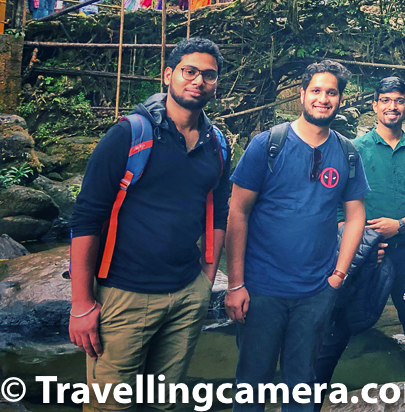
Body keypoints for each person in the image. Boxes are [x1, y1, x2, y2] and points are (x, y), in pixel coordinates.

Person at [68, 37, 231, 412]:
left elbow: (218, 211)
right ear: (169, 75)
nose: (198, 81)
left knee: (163, 403)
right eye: (189, 71)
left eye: (209, 75)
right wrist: (81, 304)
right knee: (111, 405)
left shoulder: (217, 144)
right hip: (124, 293)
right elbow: (87, 217)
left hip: (186, 292)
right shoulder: (129, 134)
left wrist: (207, 277)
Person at [225, 60, 370, 412]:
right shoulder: (268, 144)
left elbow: (355, 216)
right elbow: (237, 211)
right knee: (251, 383)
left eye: (331, 93)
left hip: (315, 292)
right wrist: (235, 284)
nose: (323, 99)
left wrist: (338, 275)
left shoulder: (348, 153)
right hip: (261, 291)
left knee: (303, 385)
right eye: (316, 91)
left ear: (340, 99)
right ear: (302, 94)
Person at [315, 76, 405, 387]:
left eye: (398, 101)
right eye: (385, 100)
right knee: (338, 327)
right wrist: (362, 240)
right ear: (374, 105)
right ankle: (310, 401)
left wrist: (400, 225)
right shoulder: (355, 149)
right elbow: (338, 211)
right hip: (366, 255)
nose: (391, 106)